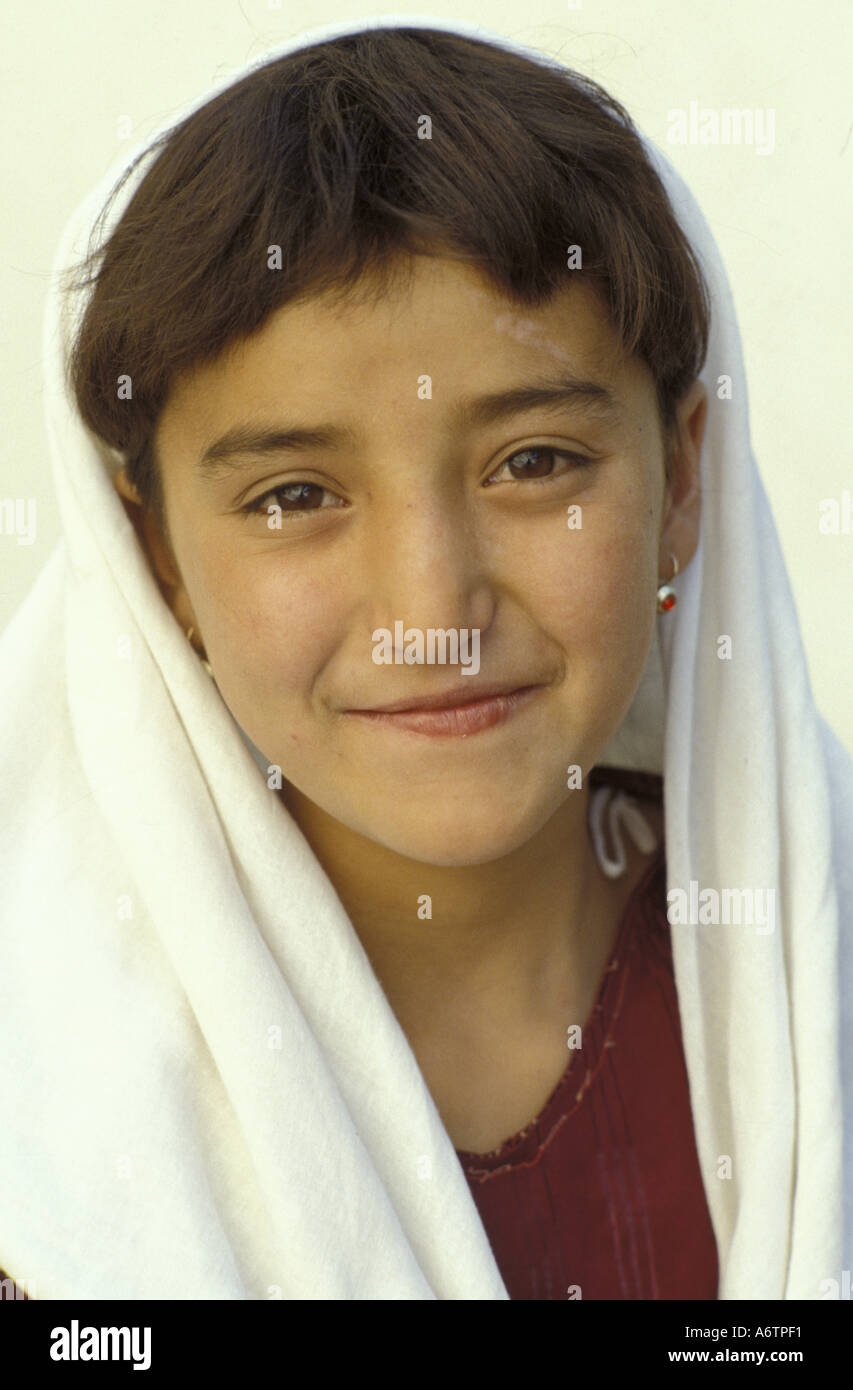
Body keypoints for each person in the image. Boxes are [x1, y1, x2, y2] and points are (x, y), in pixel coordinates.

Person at [0, 18, 850, 1301]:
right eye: (293, 495)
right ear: (157, 561)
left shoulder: (815, 968)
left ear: (682, 480)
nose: (429, 608)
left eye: (536, 464)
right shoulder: (47, 1150)